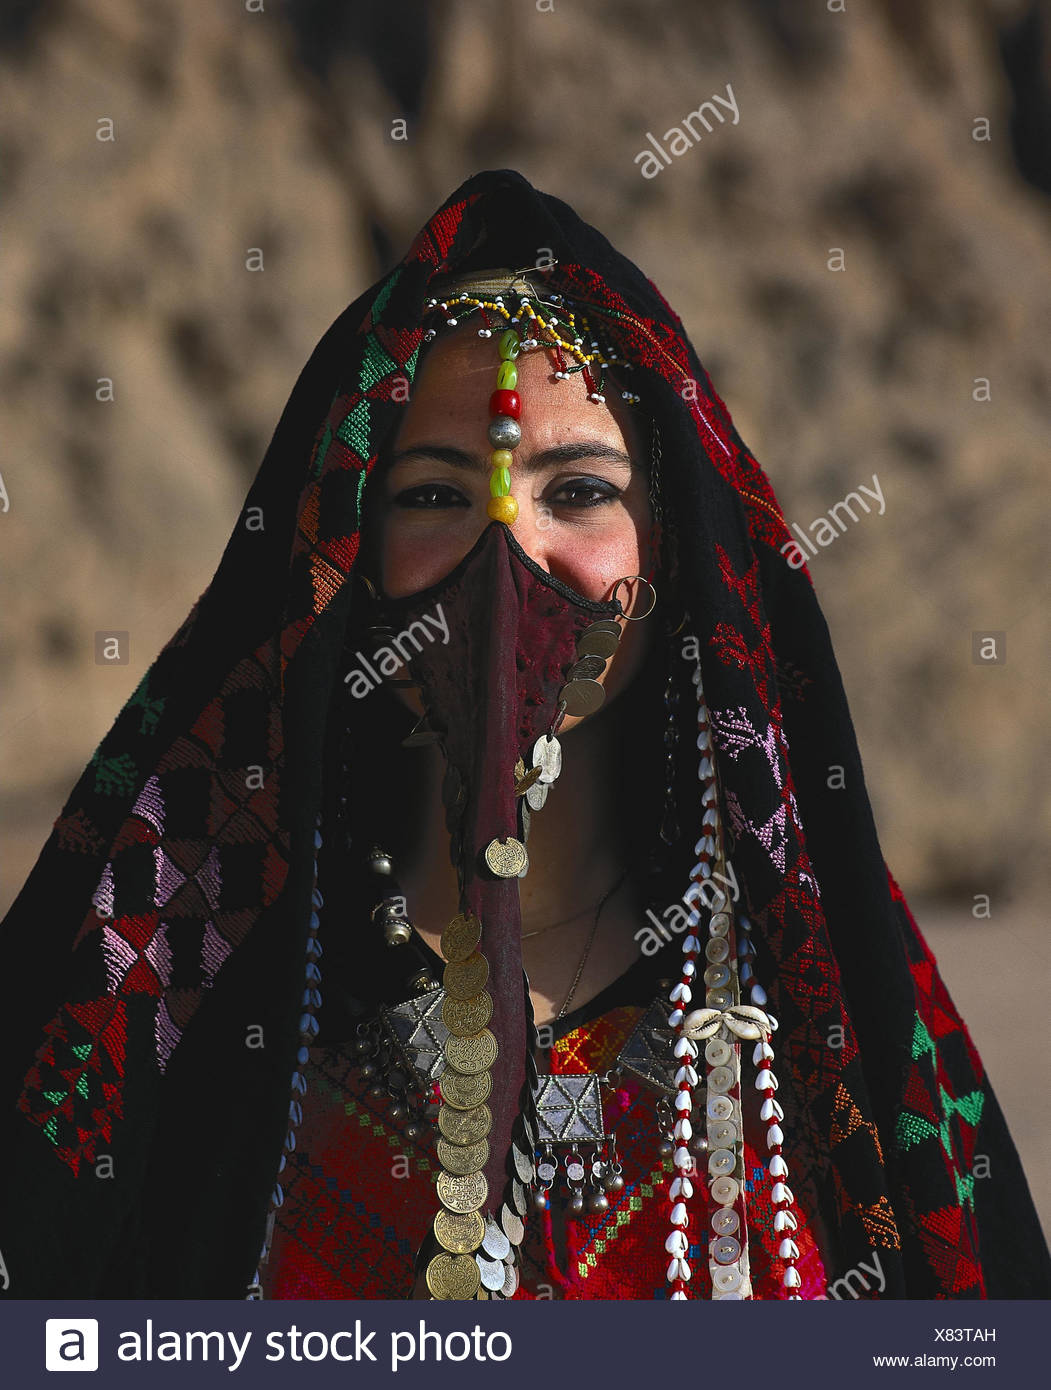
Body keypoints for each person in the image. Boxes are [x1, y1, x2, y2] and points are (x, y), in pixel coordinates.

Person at [0, 169, 1047, 1302]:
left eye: (580, 490)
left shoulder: (815, 1004)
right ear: (346, 556)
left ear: (676, 553)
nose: (507, 562)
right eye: (436, 496)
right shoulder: (185, 988)